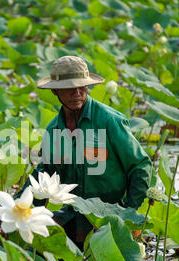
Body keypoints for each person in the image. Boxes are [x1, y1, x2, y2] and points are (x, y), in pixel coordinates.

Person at [19, 55, 153, 250]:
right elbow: (44, 174)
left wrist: (129, 215)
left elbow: (141, 166)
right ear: (55, 91)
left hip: (110, 219)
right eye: (70, 88)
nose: (77, 93)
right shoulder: (54, 130)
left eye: (82, 87)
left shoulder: (109, 121)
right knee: (33, 250)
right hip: (72, 216)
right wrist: (19, 208)